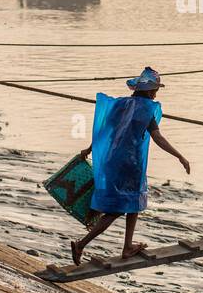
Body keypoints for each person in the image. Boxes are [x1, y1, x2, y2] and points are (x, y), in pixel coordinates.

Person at [70, 67, 189, 264]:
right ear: (150, 91)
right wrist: (179, 156)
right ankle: (81, 244)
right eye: (155, 90)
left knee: (134, 203)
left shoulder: (121, 105)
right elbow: (158, 138)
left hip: (112, 161)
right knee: (116, 210)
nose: (155, 93)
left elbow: (103, 131)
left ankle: (127, 246)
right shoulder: (146, 110)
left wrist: (90, 149)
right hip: (130, 164)